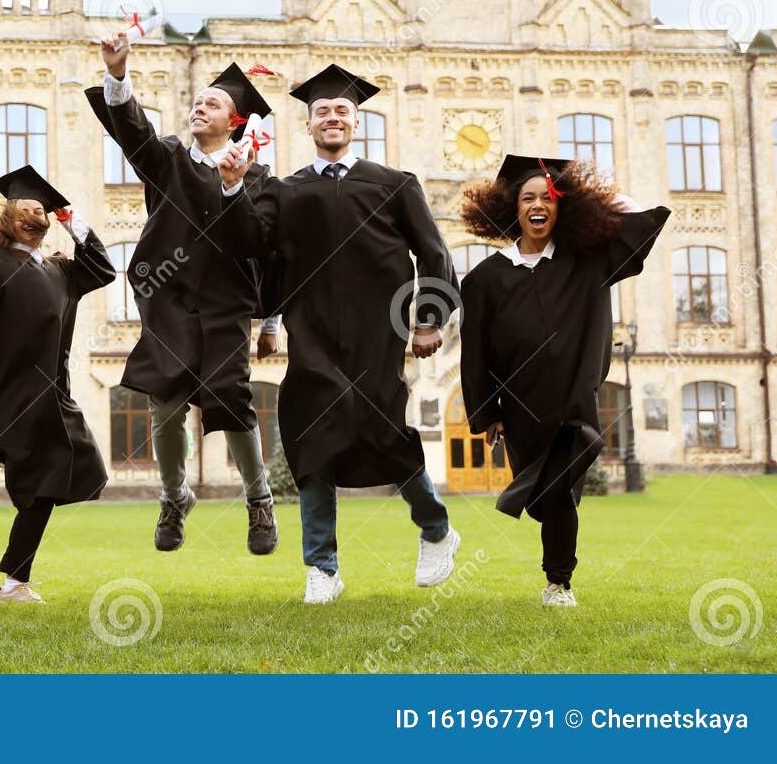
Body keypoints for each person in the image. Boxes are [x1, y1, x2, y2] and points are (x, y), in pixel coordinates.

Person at [224, 64, 461, 604]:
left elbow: (434, 252)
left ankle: (436, 527)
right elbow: (255, 250)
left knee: (382, 431)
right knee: (311, 439)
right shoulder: (286, 191)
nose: (332, 118)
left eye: (342, 111)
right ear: (308, 125)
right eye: (322, 112)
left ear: (357, 122)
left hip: (377, 332)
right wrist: (236, 189)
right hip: (313, 333)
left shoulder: (394, 184)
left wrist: (427, 321)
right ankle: (323, 567)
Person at [88, 40, 283, 555]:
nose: (199, 106)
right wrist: (117, 73)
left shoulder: (259, 179)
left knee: (233, 400)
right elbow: (133, 135)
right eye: (197, 100)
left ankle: (259, 500)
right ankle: (175, 497)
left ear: (235, 121)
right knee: (165, 402)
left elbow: (255, 245)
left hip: (224, 307)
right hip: (168, 303)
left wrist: (233, 188)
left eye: (213, 103)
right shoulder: (168, 158)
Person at [459, 155, 670, 607]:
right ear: (511, 209)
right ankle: (536, 521)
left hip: (576, 401)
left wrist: (588, 197)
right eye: (528, 197)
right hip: (521, 408)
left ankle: (559, 582)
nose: (538, 205)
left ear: (562, 209)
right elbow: (475, 353)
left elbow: (635, 223)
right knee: (552, 497)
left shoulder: (589, 262)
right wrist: (487, 413)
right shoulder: (484, 279)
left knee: (559, 479)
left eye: (549, 198)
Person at [0, 166, 115, 603]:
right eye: (27, 207)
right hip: (18, 393)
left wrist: (73, 221)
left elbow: (102, 270)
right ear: (10, 218)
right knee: (44, 486)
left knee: (78, 475)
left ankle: (4, 455)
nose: (36, 213)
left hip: (55, 392)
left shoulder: (61, 271)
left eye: (42, 209)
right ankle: (13, 581)